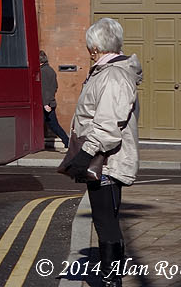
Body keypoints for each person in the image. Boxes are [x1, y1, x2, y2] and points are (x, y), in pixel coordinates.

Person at [60, 18, 141, 287]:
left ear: (95, 46)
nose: (87, 50)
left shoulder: (113, 76)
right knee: (107, 218)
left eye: (88, 46)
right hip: (104, 158)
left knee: (105, 221)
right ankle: (113, 273)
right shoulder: (105, 73)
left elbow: (107, 126)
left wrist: (85, 154)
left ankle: (110, 279)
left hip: (106, 160)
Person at [40, 49, 69, 150]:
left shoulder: (42, 72)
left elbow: (44, 90)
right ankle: (67, 142)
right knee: (53, 126)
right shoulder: (51, 70)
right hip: (50, 102)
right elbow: (54, 87)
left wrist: (46, 103)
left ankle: (67, 142)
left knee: (52, 125)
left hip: (46, 104)